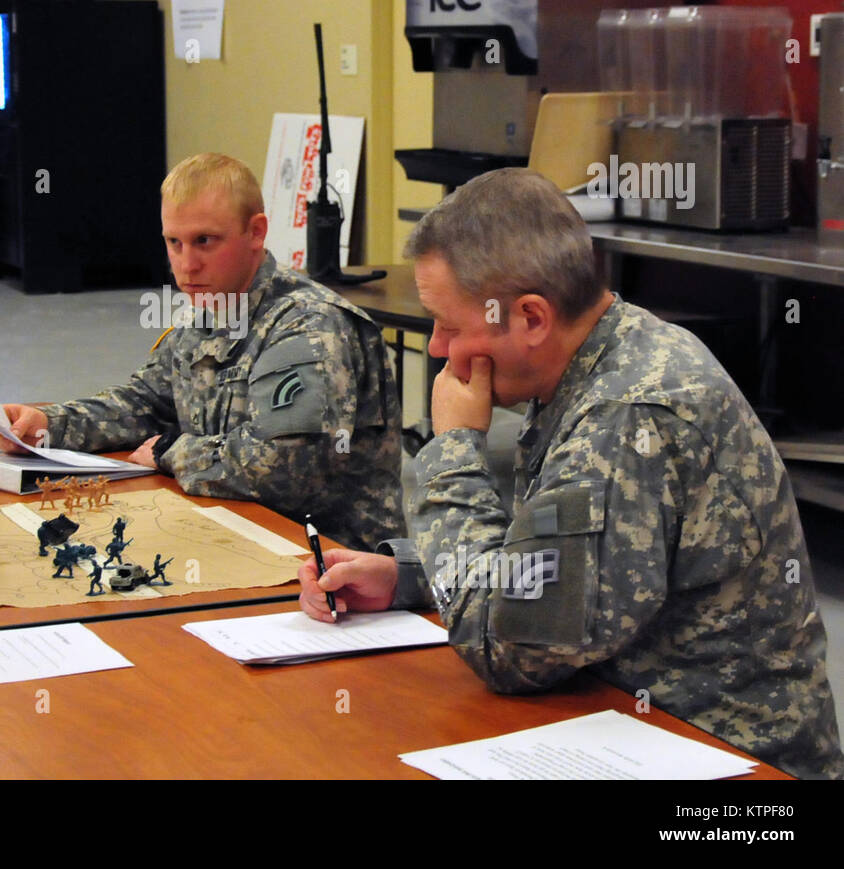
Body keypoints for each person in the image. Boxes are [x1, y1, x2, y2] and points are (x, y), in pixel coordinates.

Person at [298, 167, 844, 779]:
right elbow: (560, 566)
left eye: (449, 326)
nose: (437, 351)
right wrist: (409, 575)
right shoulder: (607, 347)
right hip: (632, 727)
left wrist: (453, 448)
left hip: (730, 771)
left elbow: (506, 648)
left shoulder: (627, 413)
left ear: (531, 318)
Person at [1, 153, 404, 551]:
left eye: (204, 241)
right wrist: (52, 424)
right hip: (236, 534)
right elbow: (145, 403)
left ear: (256, 232)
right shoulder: (213, 306)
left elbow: (282, 470)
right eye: (173, 243)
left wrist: (171, 451)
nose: (186, 265)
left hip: (328, 564)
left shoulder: (309, 326)